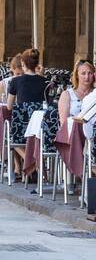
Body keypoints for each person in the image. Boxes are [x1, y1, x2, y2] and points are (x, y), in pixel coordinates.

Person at [7, 47, 47, 177]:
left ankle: (31, 163)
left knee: (12, 141)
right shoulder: (44, 81)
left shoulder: (15, 81)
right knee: (36, 142)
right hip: (39, 129)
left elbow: (9, 106)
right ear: (37, 64)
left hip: (21, 128)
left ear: (23, 64)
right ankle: (35, 163)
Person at [58, 59, 96, 126]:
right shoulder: (67, 95)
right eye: (83, 73)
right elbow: (64, 124)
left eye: (90, 73)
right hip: (72, 133)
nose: (87, 77)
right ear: (77, 75)